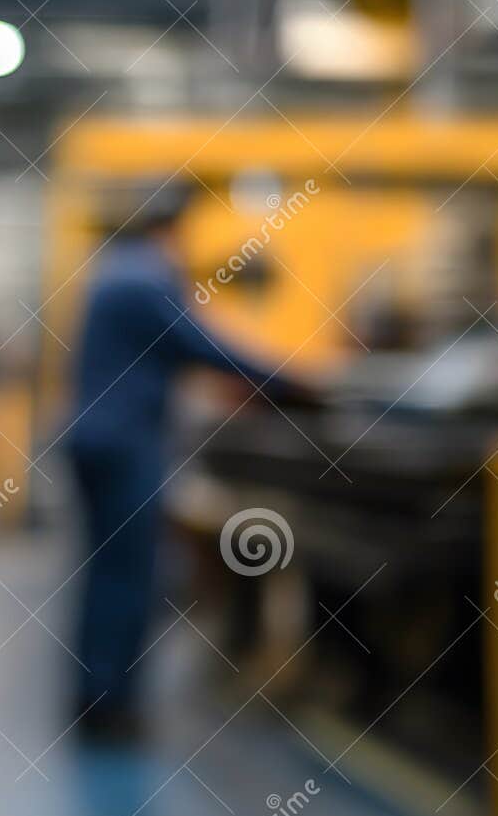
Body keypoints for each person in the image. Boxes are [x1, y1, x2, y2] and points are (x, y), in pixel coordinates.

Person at [63, 187, 312, 737]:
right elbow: (200, 342)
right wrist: (291, 379)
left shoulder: (116, 271)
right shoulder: (147, 275)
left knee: (107, 572)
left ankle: (93, 697)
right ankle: (111, 706)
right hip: (124, 446)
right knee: (132, 576)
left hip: (98, 440)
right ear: (170, 231)